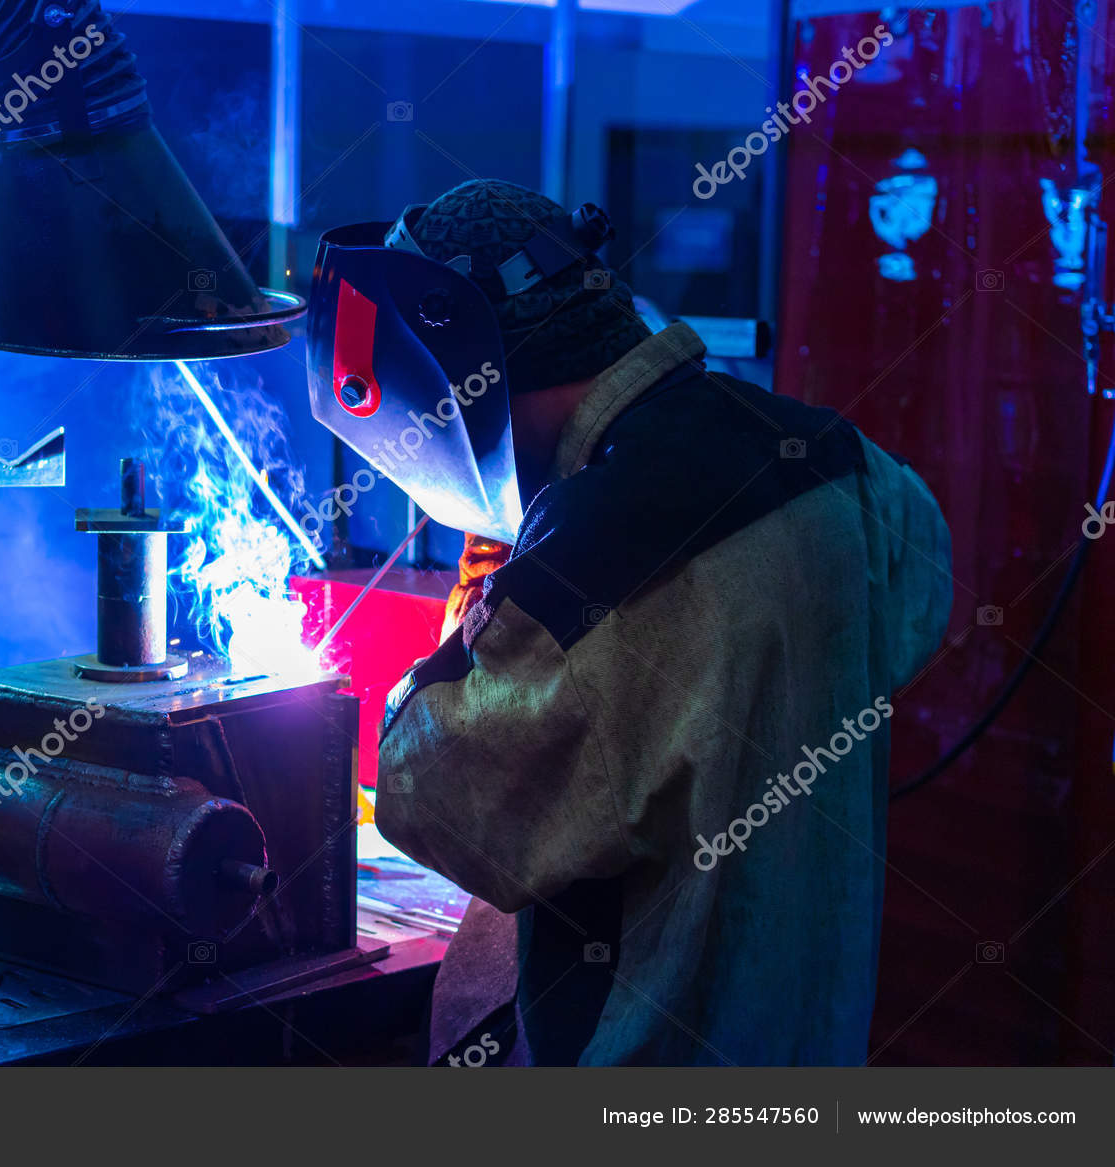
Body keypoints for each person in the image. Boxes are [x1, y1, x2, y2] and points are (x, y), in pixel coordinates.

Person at [305, 178, 952, 1065]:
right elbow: (921, 600)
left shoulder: (592, 561)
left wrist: (490, 609)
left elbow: (430, 799)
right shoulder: (839, 459)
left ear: (463, 384)